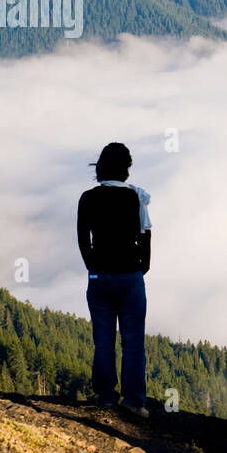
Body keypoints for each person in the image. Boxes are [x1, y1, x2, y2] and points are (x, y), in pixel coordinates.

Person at [76, 142, 152, 418]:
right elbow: (145, 234)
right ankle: (133, 401)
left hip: (100, 277)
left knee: (103, 340)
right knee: (133, 341)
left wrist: (92, 266)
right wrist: (142, 267)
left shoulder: (88, 198)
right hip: (130, 276)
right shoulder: (137, 197)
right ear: (127, 169)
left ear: (100, 167)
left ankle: (106, 397)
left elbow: (83, 238)